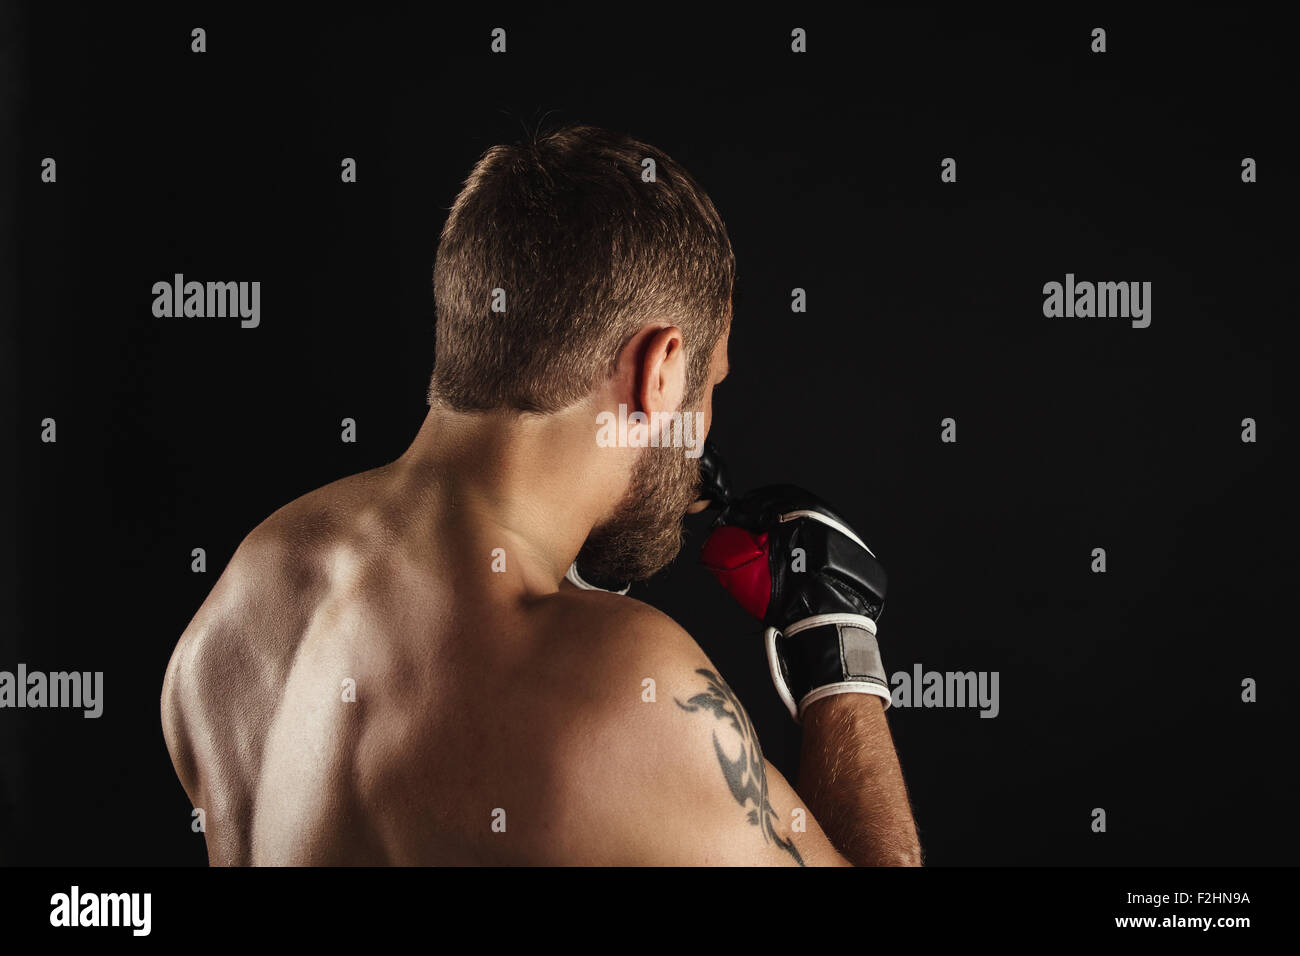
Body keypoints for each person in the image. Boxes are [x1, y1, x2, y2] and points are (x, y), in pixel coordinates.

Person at [161, 124, 921, 866]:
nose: (707, 433)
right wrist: (837, 651)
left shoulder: (235, 615)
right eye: (709, 383)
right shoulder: (631, 685)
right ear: (659, 370)